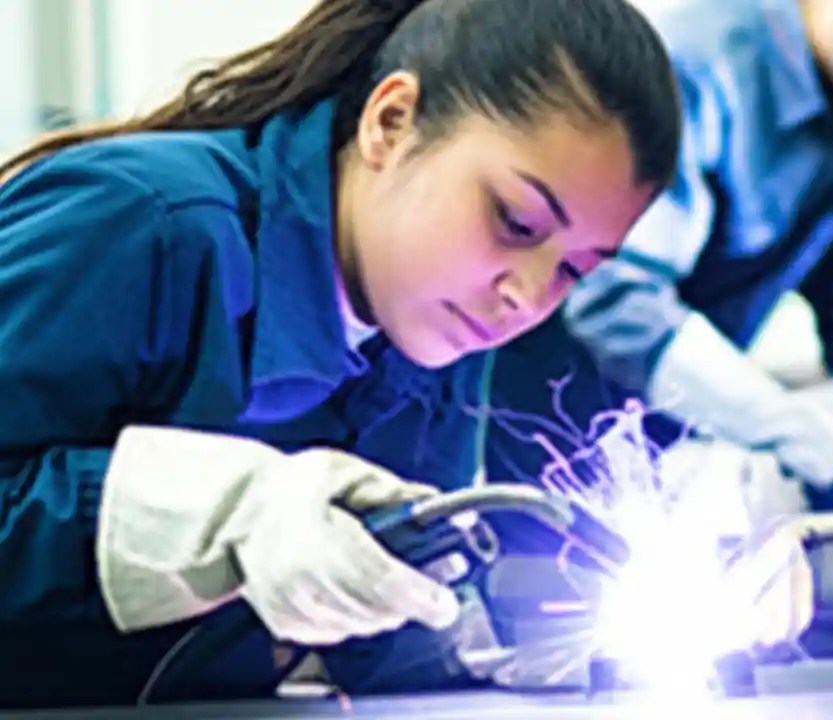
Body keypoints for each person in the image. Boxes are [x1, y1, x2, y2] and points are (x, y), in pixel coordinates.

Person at [0, 0, 684, 708]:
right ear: (391, 123)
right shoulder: (141, 227)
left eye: (575, 270)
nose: (527, 296)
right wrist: (208, 520)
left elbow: (396, 640)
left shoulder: (437, 335)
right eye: (515, 221)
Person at [485, 0, 833, 495]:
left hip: (682, 434)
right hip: (553, 423)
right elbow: (616, 302)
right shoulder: (700, 62)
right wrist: (783, 422)